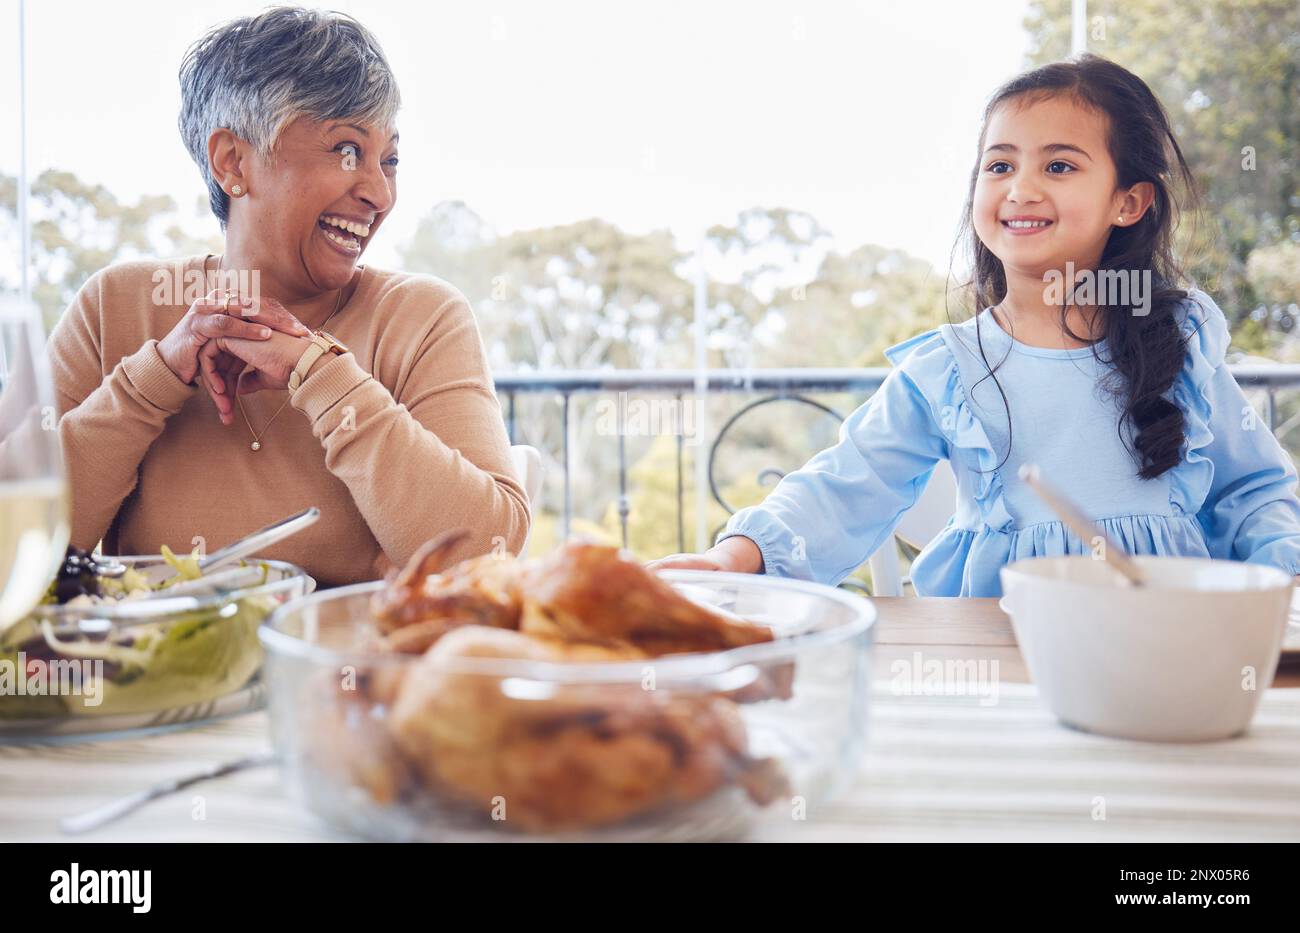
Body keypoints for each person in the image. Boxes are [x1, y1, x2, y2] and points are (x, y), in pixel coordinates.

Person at [652, 54, 1300, 596]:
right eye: (999, 165)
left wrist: (1281, 578)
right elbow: (846, 484)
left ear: (1128, 202)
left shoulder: (1182, 340)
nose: (1019, 188)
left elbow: (1257, 487)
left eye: (1059, 165)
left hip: (1168, 635)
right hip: (998, 640)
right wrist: (732, 557)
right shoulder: (945, 367)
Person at [46, 7, 528, 587]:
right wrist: (155, 378)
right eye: (347, 152)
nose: (379, 192)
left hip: (350, 674)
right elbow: (13, 545)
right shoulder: (116, 307)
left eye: (390, 160)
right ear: (233, 162)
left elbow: (486, 557)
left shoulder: (422, 318)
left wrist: (320, 373)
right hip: (160, 677)